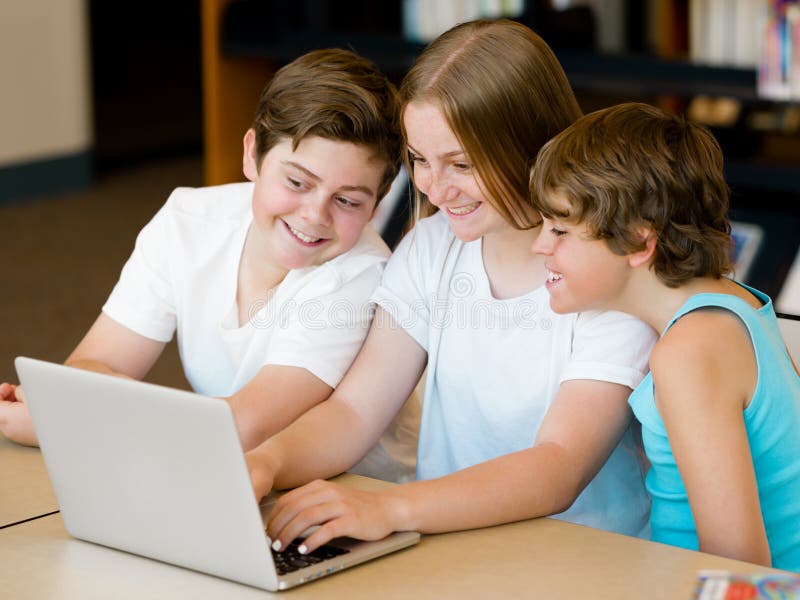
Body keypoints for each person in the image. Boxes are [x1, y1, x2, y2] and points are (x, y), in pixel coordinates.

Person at [246, 19, 658, 557]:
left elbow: (559, 464)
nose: (436, 189)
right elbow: (354, 412)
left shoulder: (604, 273)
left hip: (582, 562)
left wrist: (391, 508)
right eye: (419, 159)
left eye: (461, 164)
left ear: (533, 147)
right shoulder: (432, 248)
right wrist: (267, 460)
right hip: (454, 545)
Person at [0, 48, 404, 454]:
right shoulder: (188, 221)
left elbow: (244, 427)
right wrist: (75, 404)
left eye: (348, 201)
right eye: (297, 183)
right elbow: (89, 369)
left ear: (378, 203)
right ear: (252, 154)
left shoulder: (360, 276)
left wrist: (69, 421)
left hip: (341, 489)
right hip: (217, 464)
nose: (315, 216)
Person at [529, 102, 800, 570]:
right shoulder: (737, 304)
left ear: (638, 241)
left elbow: (737, 563)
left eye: (559, 229)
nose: (540, 245)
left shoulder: (689, 351)